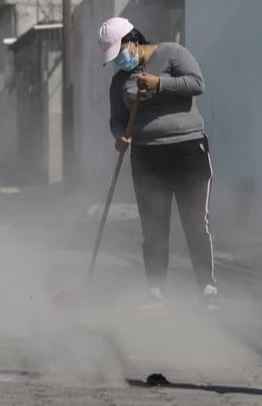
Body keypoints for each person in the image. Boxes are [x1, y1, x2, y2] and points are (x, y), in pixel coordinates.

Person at [98, 17, 217, 309]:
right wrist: (120, 138)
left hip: (188, 149)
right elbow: (117, 121)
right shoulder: (119, 82)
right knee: (153, 227)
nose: (120, 61)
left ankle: (207, 288)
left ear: (132, 40)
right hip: (148, 156)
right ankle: (155, 292)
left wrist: (159, 83)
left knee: (195, 223)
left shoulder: (172, 53)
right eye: (114, 58)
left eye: (120, 52)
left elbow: (197, 84)